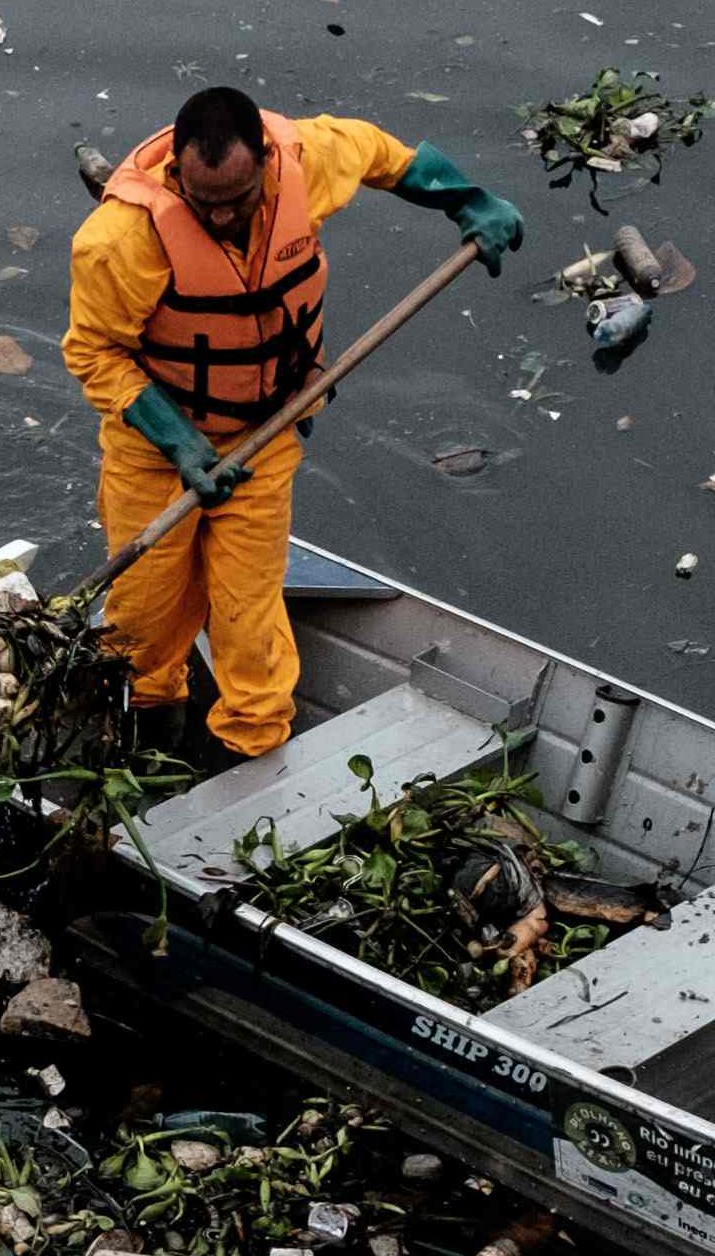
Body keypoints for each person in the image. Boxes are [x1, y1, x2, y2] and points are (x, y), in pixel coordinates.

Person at [61, 85, 521, 760]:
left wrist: (468, 199)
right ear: (177, 173)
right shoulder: (119, 240)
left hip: (264, 433)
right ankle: (149, 725)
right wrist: (178, 440)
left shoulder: (304, 160)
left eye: (238, 200)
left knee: (248, 612)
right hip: (155, 450)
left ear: (267, 166)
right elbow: (94, 353)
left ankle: (249, 748)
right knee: (144, 617)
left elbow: (385, 157)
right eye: (204, 203)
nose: (222, 218)